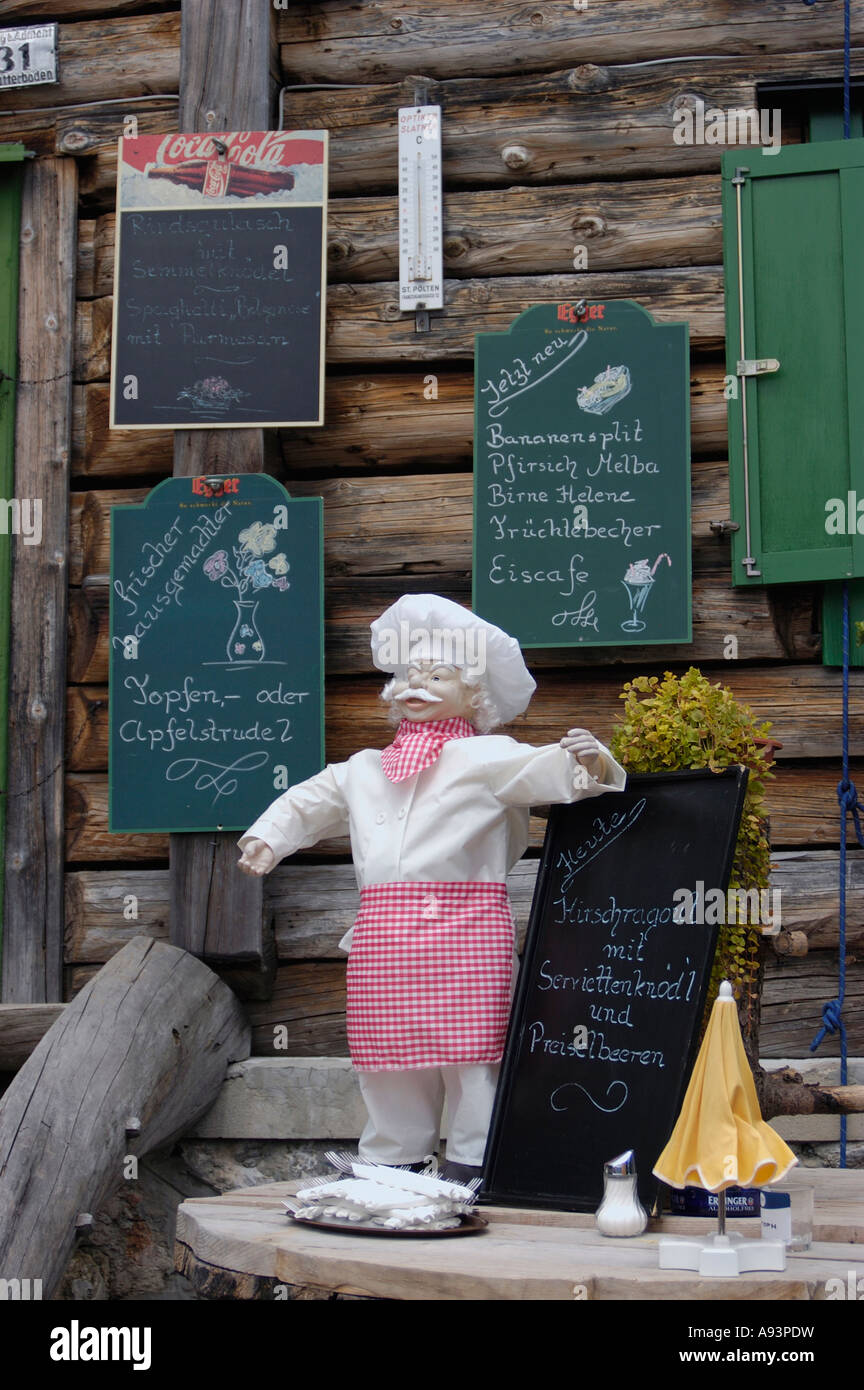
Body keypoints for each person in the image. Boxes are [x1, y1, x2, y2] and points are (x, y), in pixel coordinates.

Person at [238, 593, 626, 1180]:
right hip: (385, 939)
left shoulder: (487, 756)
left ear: (475, 695)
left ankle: (475, 1162)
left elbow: (547, 771)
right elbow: (310, 799)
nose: (418, 683)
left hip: (467, 930)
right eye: (410, 674)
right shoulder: (365, 768)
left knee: (472, 1058)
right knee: (387, 1058)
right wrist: (269, 837)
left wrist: (589, 764)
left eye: (438, 674)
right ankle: (394, 1159)